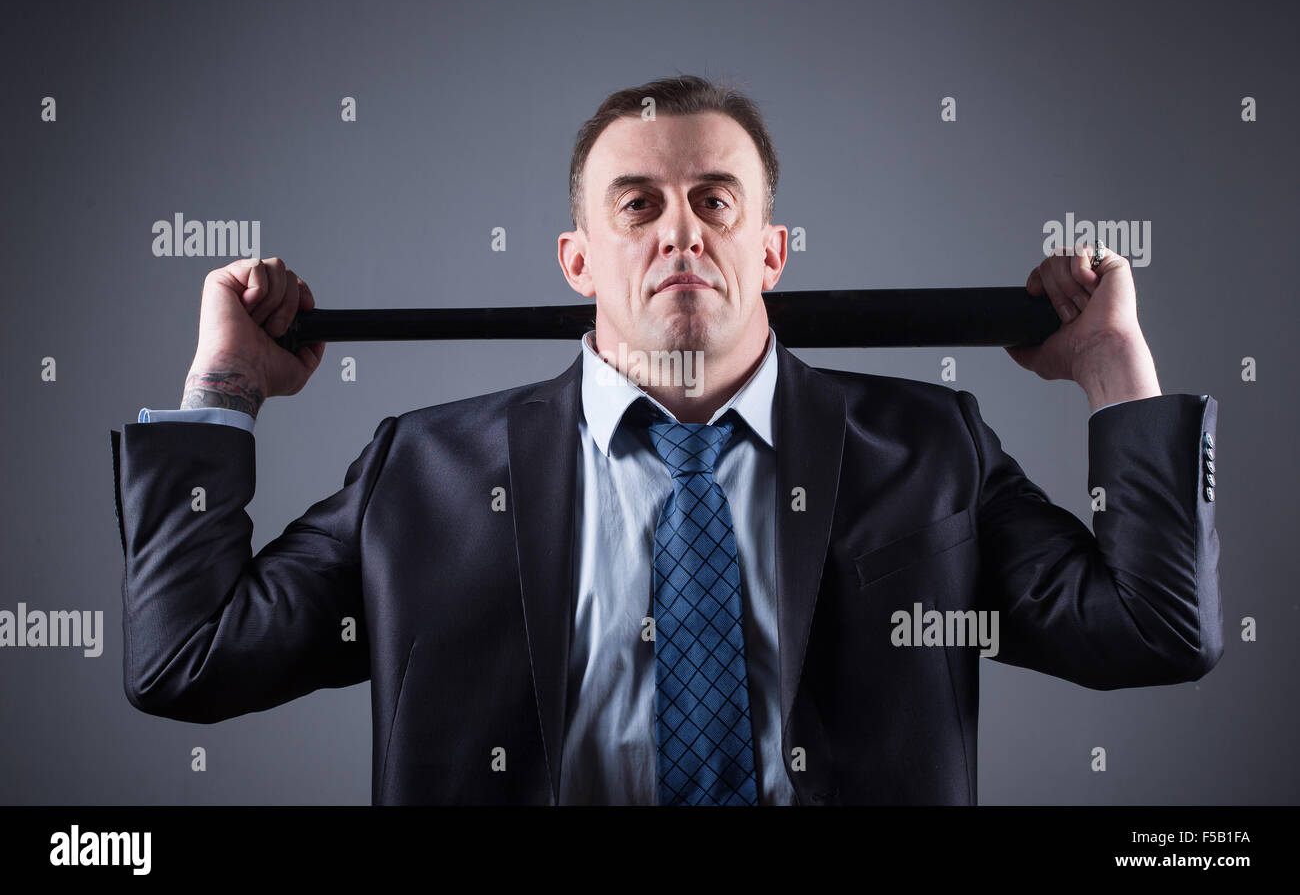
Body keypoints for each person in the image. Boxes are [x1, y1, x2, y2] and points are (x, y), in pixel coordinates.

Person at [109, 74, 1222, 805]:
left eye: (716, 200)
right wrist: (223, 389)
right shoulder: (428, 473)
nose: (680, 227)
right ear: (577, 259)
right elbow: (185, 661)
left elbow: (1154, 631)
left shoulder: (926, 444)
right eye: (636, 203)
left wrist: (1113, 368)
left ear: (774, 250)